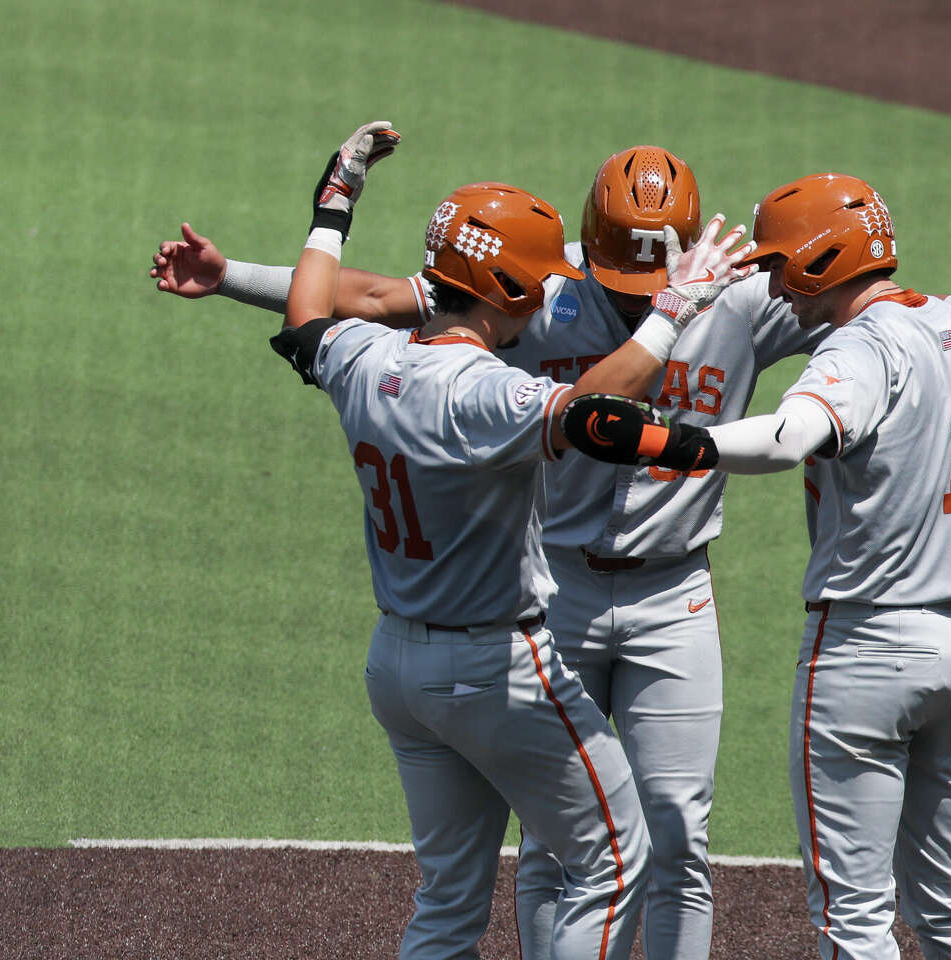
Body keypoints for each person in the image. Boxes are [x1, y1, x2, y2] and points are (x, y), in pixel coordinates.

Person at [151, 144, 951, 960]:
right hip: (548, 589)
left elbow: (875, 309)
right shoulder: (539, 283)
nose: (648, 292)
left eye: (662, 278)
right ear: (582, 255)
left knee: (679, 832)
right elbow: (380, 299)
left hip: (672, 594)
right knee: (561, 844)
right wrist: (232, 272)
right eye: (625, 277)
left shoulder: (737, 292)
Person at [258, 121, 755, 959]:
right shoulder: (488, 393)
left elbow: (309, 311)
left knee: (449, 899)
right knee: (618, 856)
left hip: (396, 665)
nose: (544, 296)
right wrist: (674, 323)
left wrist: (335, 200)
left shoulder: (361, 359)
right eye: (535, 282)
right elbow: (596, 413)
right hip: (497, 669)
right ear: (500, 291)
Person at [564, 172, 951, 960]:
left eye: (779, 263)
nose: (772, 283)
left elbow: (786, 437)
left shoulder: (859, 346)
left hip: (869, 648)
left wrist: (670, 442)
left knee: (854, 915)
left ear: (819, 259)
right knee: (948, 898)